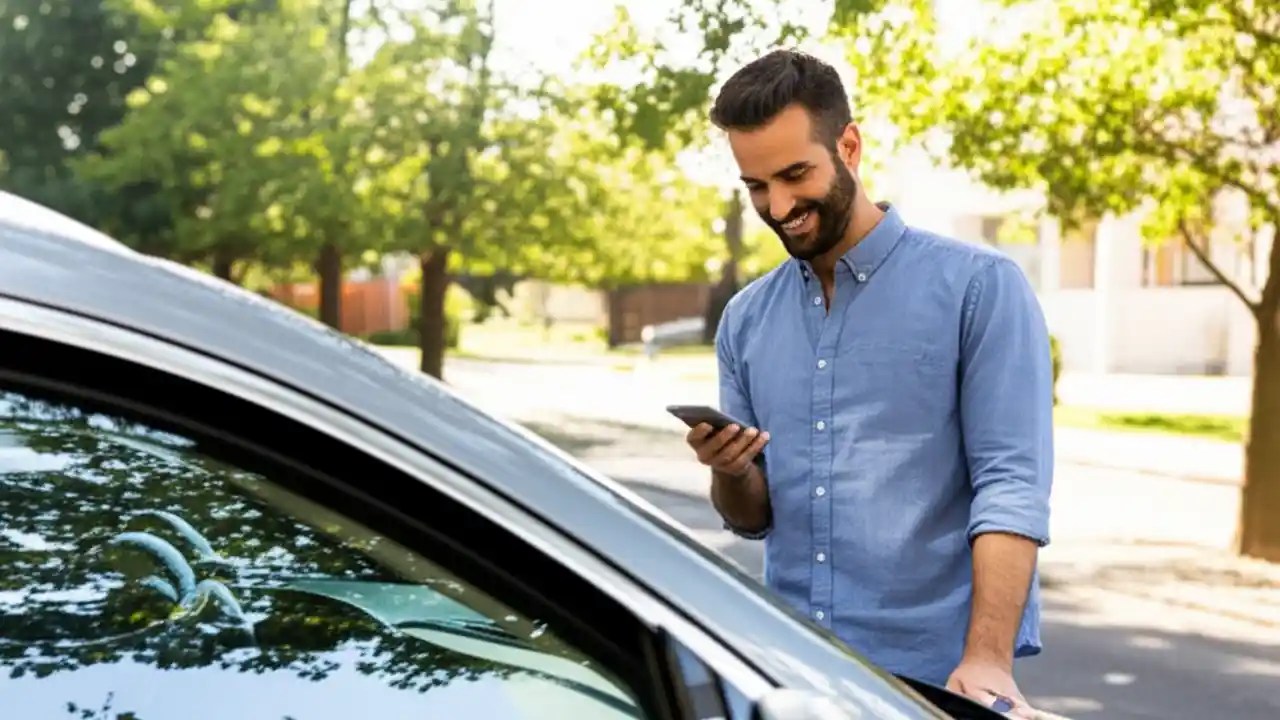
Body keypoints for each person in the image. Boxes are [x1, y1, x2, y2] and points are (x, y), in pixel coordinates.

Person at [686, 49, 1054, 717]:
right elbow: (752, 518)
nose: (780, 205)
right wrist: (731, 472)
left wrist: (988, 658)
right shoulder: (746, 320)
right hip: (795, 678)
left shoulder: (978, 289)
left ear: (848, 146)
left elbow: (1012, 485)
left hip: (935, 684)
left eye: (796, 175)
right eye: (756, 186)